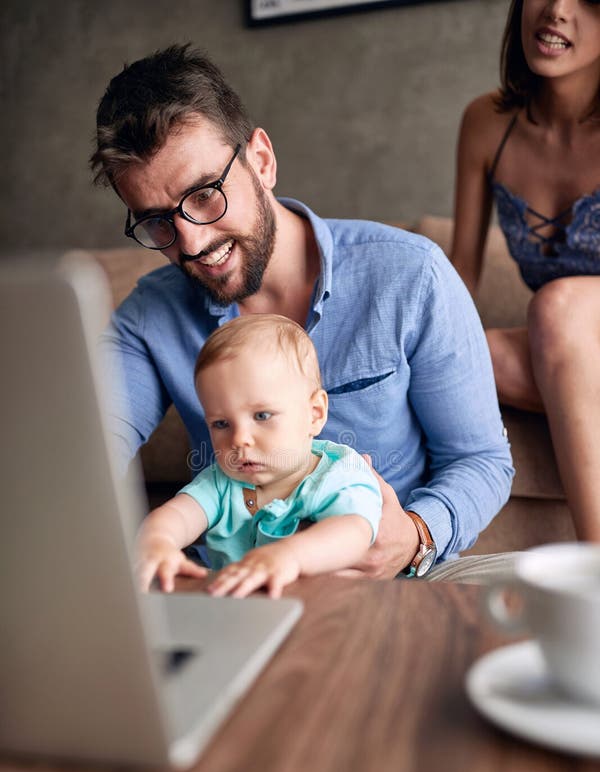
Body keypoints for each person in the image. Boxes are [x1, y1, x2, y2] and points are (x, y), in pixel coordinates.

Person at [92, 44, 514, 583]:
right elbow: (82, 452)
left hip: (401, 575)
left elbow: (481, 459)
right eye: (156, 222)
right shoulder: (149, 316)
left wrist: (411, 536)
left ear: (261, 161)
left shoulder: (411, 275)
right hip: (232, 584)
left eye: (204, 195)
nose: (191, 243)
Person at [450, 0, 600, 541]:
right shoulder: (486, 123)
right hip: (571, 352)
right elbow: (460, 275)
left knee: (558, 306)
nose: (557, 10)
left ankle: (594, 564)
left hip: (570, 324)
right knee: (466, 356)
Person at [136, 314, 382, 597]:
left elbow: (353, 531)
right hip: (242, 612)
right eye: (221, 424)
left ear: (315, 414)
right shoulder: (222, 482)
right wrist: (158, 541)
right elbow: (177, 515)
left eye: (262, 415)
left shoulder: (339, 473)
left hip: (329, 611)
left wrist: (289, 556)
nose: (239, 439)